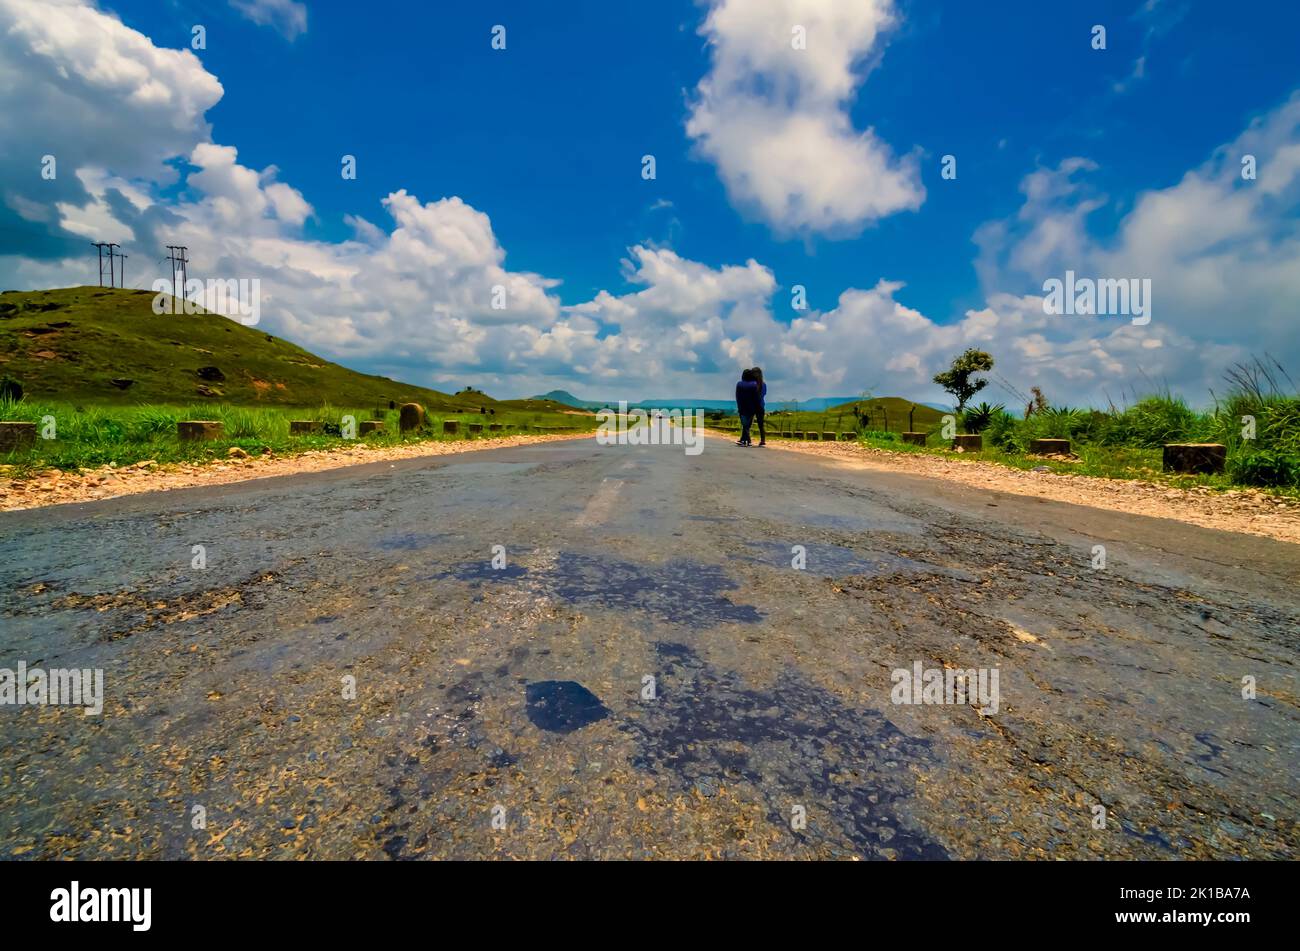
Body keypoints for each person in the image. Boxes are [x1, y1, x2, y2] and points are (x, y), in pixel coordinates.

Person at [735, 368, 760, 446]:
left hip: (742, 407)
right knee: (747, 425)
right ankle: (746, 440)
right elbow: (756, 397)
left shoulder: (739, 384)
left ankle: (746, 440)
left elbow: (737, 396)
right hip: (751, 407)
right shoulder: (754, 384)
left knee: (745, 424)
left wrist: (739, 405)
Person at [751, 366, 767, 446]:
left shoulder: (752, 384)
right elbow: (764, 394)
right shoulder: (764, 385)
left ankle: (747, 439)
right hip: (761, 406)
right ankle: (763, 440)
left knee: (748, 424)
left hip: (752, 406)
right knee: (761, 424)